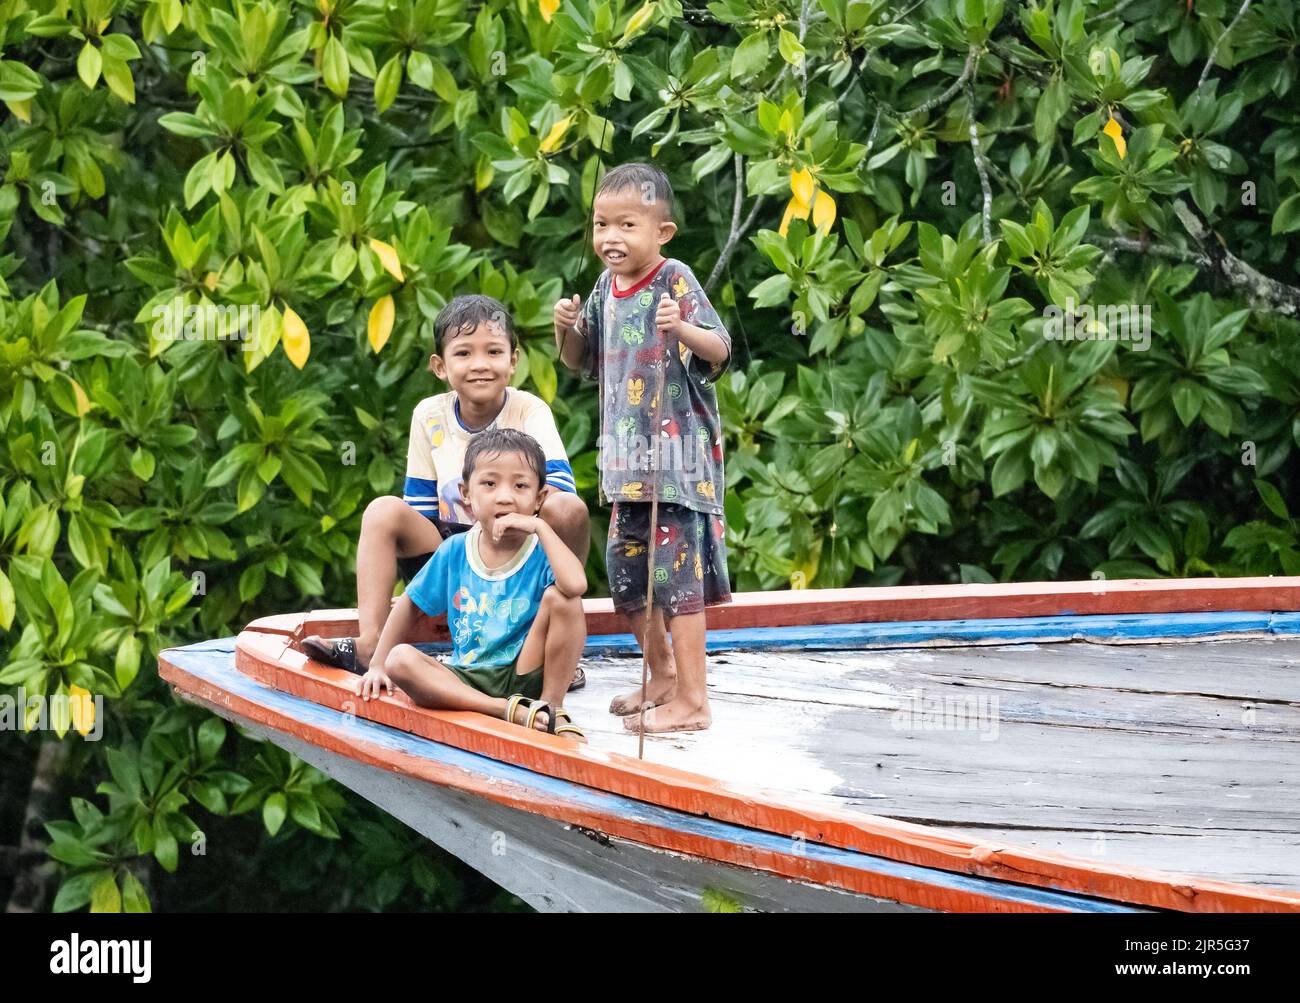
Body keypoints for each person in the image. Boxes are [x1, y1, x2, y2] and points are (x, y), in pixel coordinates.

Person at [302, 295, 589, 681]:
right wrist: (462, 558)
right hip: (452, 548)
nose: (480, 365)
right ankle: (371, 642)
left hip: (519, 545)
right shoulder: (429, 414)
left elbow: (553, 491)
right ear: (440, 366)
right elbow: (420, 509)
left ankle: (554, 645)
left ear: (514, 360)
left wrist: (504, 527)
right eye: (464, 353)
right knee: (383, 510)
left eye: (493, 351)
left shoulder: (529, 409)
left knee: (569, 508)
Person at [553, 162, 731, 734]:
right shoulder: (606, 286)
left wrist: (681, 329)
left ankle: (694, 700)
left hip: (677, 466)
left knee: (676, 583)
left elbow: (720, 350)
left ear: (662, 233)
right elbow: (578, 360)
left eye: (627, 225)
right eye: (601, 224)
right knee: (626, 577)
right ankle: (661, 676)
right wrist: (565, 327)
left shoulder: (673, 277)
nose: (611, 237)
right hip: (626, 466)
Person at [355, 428, 587, 742]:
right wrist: (378, 664)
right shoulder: (455, 550)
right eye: (489, 484)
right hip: (465, 675)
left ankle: (551, 707)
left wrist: (540, 527)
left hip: (524, 669)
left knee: (563, 599)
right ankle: (503, 710)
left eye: (521, 486)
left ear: (539, 498)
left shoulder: (543, 547)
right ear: (466, 494)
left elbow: (575, 587)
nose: (505, 496)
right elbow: (409, 604)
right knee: (400, 660)